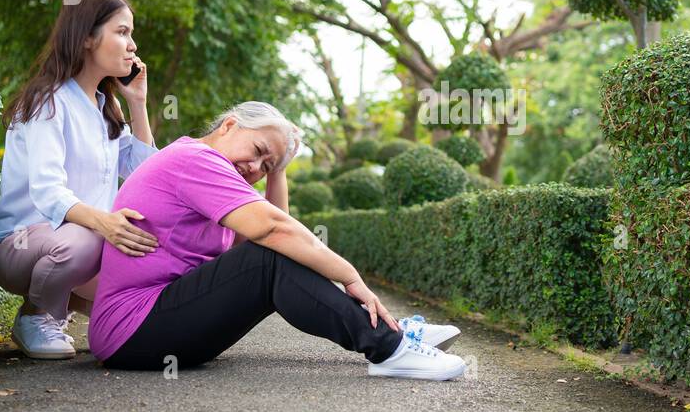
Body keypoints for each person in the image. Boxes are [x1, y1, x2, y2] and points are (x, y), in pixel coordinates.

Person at [89, 101, 465, 381]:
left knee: (272, 252)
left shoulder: (214, 175)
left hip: (158, 328)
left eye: (265, 167)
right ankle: (388, 347)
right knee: (268, 256)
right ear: (229, 126)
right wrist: (351, 277)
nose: (255, 168)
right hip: (131, 331)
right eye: (257, 152)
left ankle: (390, 330)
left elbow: (277, 230)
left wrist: (278, 169)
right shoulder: (196, 160)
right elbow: (273, 233)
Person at [0, 0, 159, 360]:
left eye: (131, 34)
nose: (133, 45)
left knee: (136, 309)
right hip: (18, 246)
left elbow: (144, 172)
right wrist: (107, 224)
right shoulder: (47, 102)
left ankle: (67, 302)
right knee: (91, 238)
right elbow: (48, 193)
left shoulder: (102, 106)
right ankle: (36, 315)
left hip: (79, 246)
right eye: (122, 32)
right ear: (87, 39)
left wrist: (138, 104)